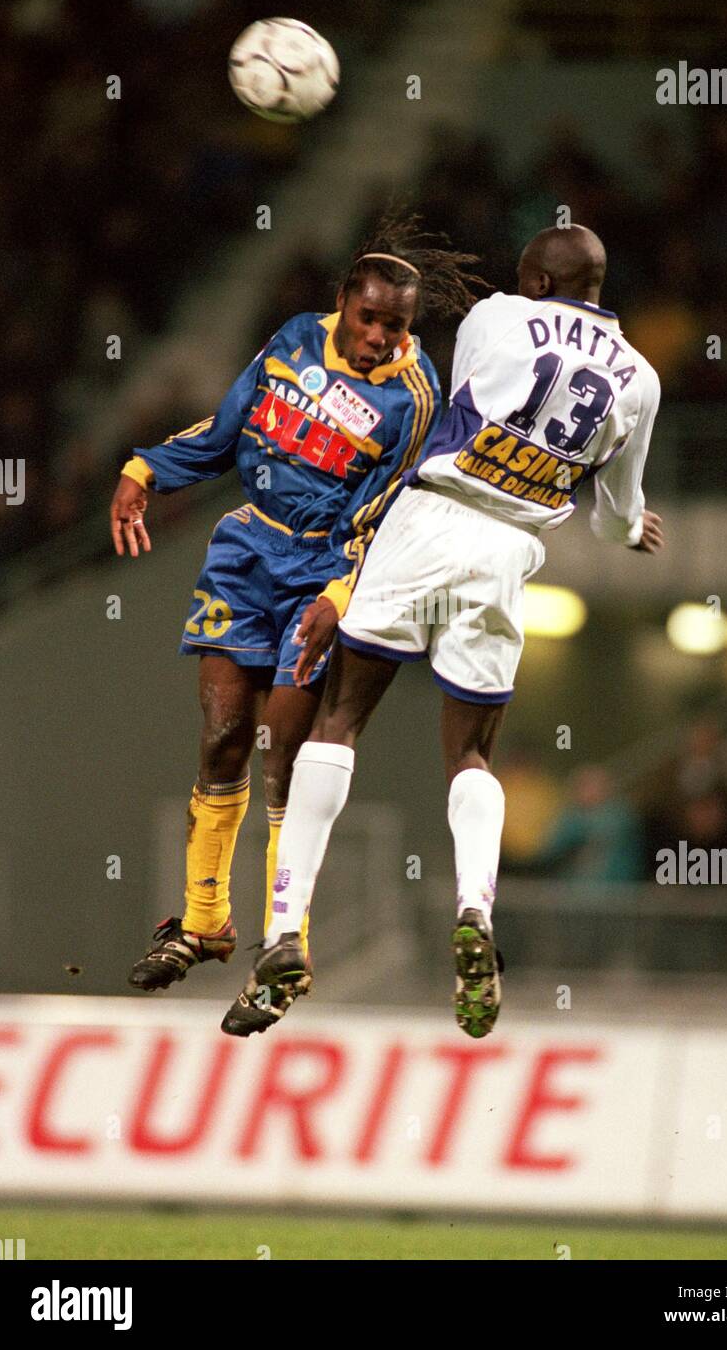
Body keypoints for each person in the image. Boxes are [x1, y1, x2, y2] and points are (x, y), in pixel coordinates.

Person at [229, 223, 664, 1039]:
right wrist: (634, 526)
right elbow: (613, 522)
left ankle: (286, 930)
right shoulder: (640, 380)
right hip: (509, 551)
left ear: (535, 278)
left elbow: (453, 405)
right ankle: (476, 912)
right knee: (470, 754)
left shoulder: (493, 318)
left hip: (429, 519)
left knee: (340, 720)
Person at [109, 216, 481, 1025]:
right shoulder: (291, 340)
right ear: (343, 303)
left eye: (396, 325)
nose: (380, 335)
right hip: (247, 554)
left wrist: (342, 597)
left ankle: (286, 944)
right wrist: (144, 469)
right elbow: (226, 428)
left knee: (285, 754)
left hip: (323, 577)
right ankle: (204, 924)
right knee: (221, 738)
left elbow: (389, 517)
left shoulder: (416, 399)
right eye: (369, 317)